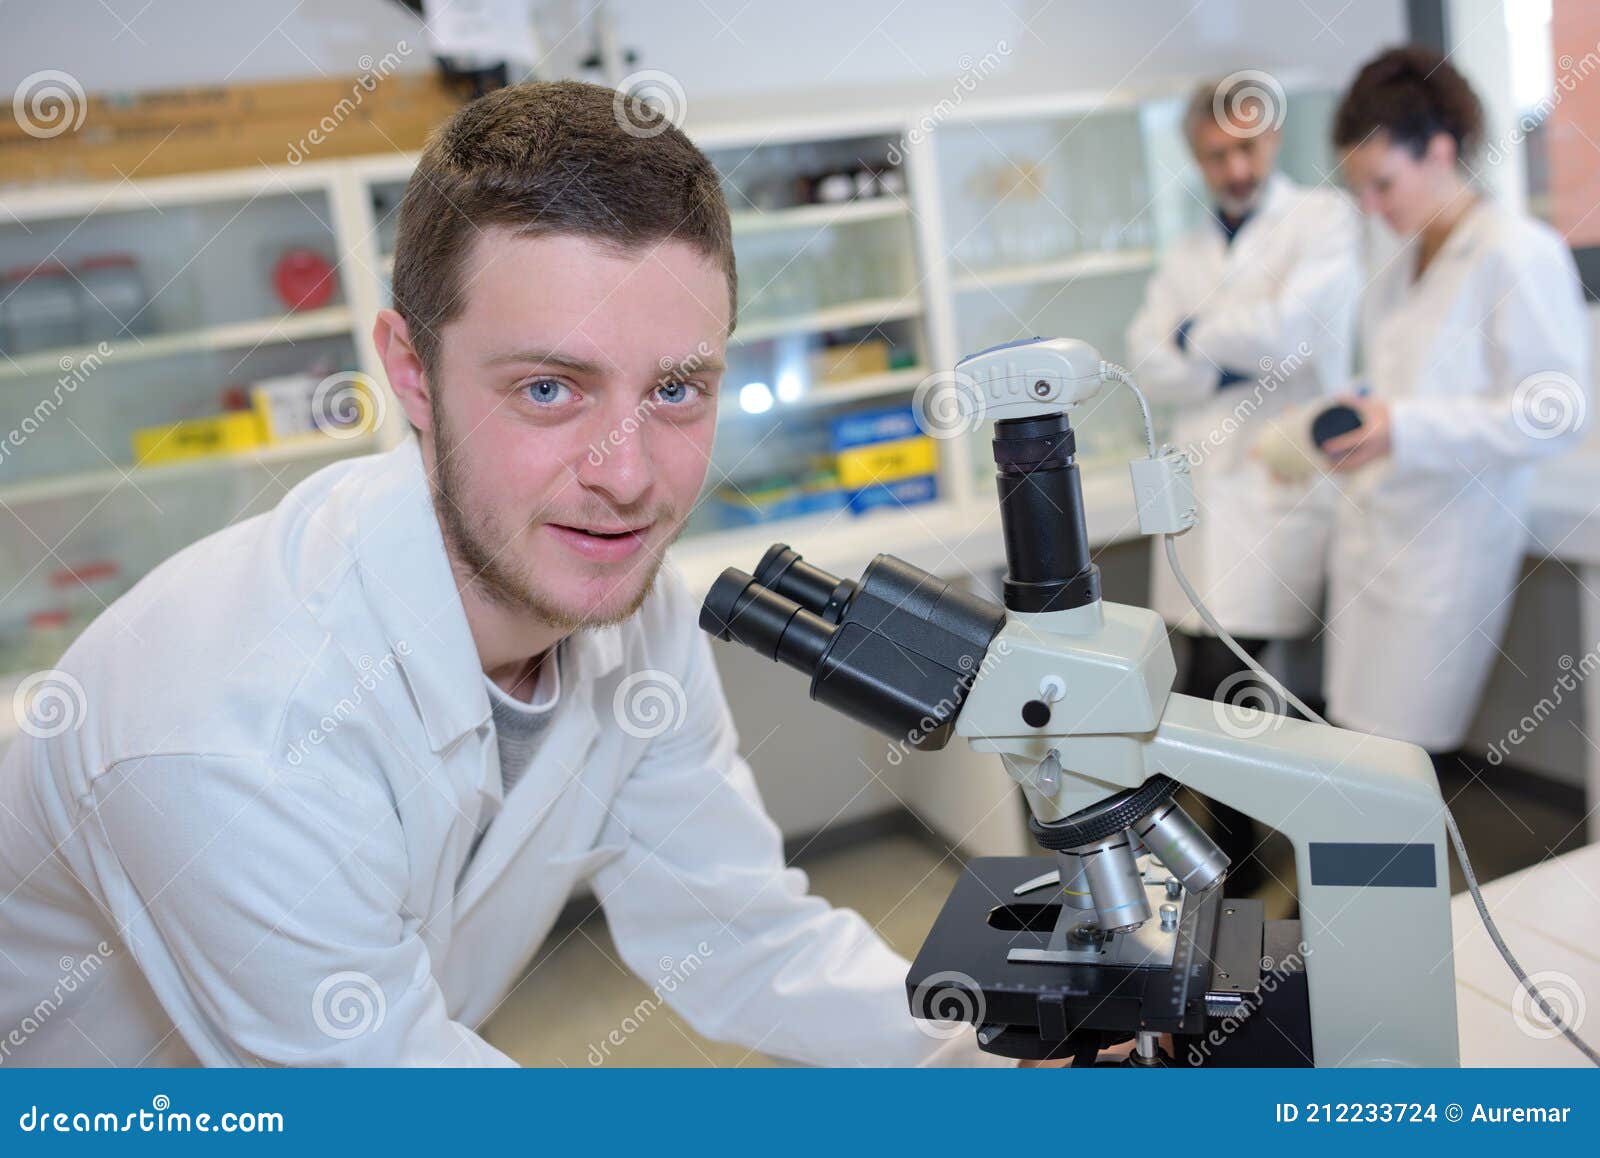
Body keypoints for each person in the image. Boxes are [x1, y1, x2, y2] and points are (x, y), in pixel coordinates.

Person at [0, 82, 1012, 1068]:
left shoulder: (631, 611)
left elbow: (736, 930)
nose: (625, 477)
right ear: (409, 371)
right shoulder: (226, 728)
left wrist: (998, 1060)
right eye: (546, 388)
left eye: (673, 389)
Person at [1126, 75, 1360, 890]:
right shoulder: (1187, 249)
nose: (1236, 165)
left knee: (1232, 680)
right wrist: (1223, 351)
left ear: (1274, 137)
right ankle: (1239, 855)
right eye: (1217, 153)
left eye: (1248, 145)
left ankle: (1249, 860)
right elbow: (1149, 360)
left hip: (1277, 485)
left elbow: (1292, 333)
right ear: (1197, 157)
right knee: (1201, 679)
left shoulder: (1321, 220)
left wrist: (1200, 337)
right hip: (1207, 494)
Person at [1324, 47, 1590, 755]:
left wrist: (1404, 427)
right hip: (1373, 539)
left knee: (1396, 765)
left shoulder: (1516, 251)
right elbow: (1400, 384)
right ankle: (1366, 870)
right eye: (1361, 191)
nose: (1372, 208)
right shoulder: (1396, 262)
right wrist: (1364, 415)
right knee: (1356, 759)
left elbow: (1554, 412)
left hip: (1445, 554)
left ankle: (1387, 870)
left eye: (1383, 183)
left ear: (1440, 151)